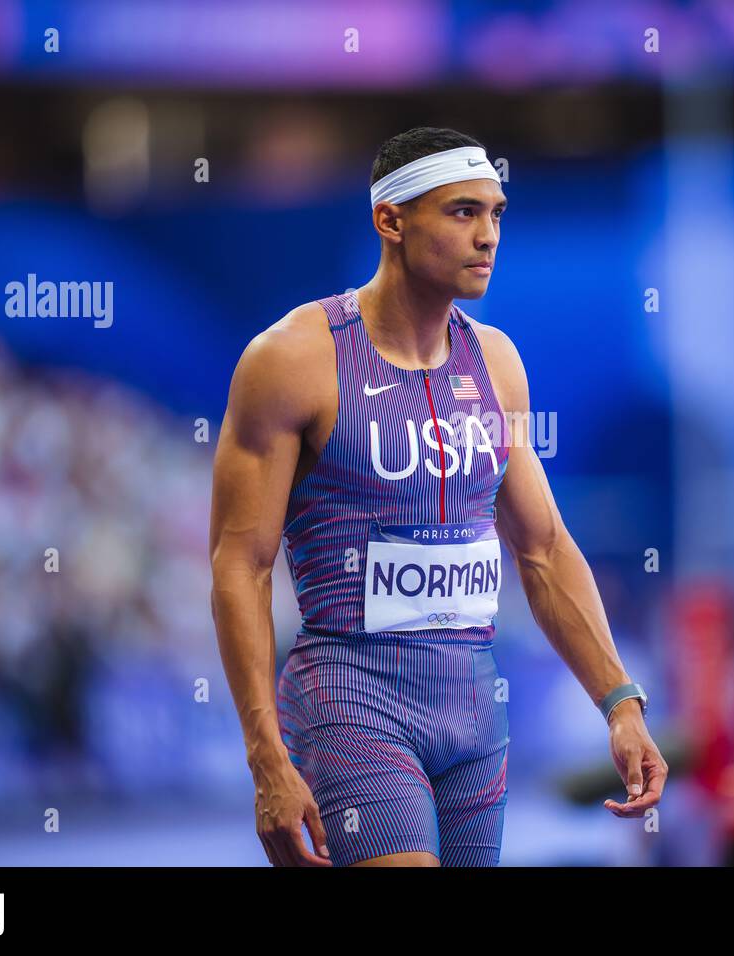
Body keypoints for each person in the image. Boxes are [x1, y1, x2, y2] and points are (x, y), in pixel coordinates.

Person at [209, 126, 667, 867]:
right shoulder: (292, 359)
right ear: (390, 220)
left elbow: (544, 548)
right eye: (461, 212)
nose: (487, 236)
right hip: (350, 701)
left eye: (496, 214)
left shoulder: (498, 362)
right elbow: (241, 566)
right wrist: (265, 755)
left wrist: (619, 703)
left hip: (474, 712)